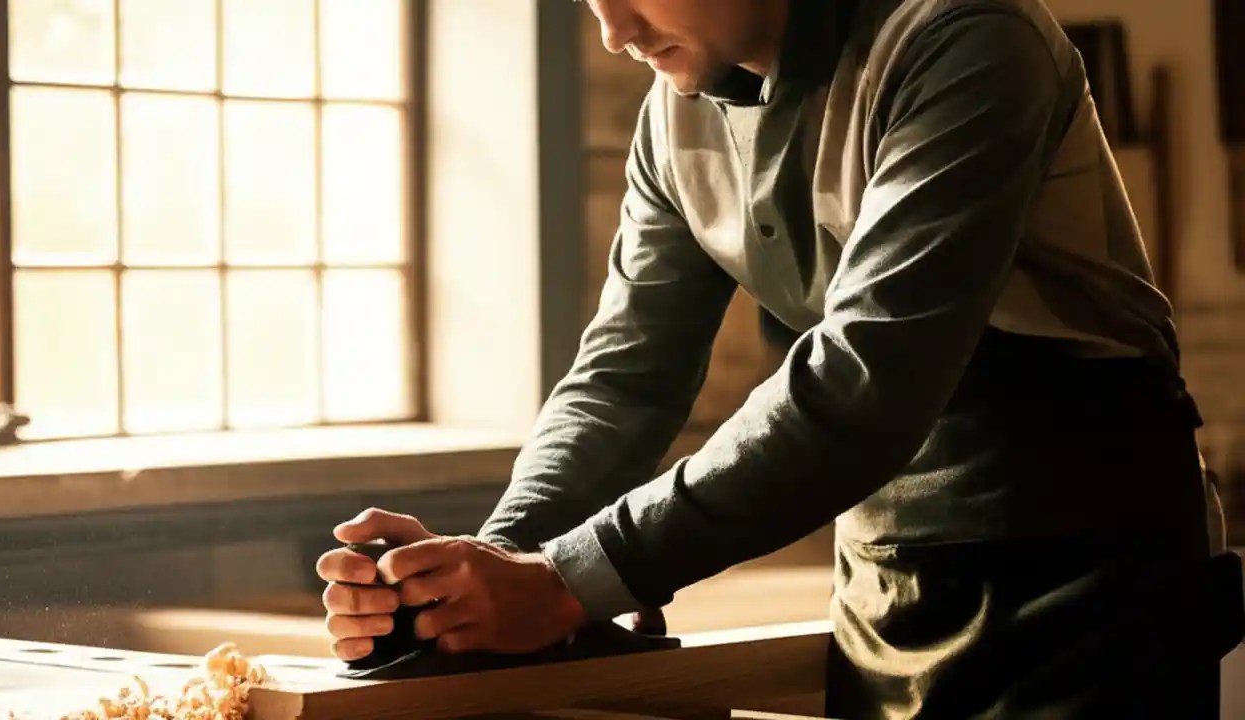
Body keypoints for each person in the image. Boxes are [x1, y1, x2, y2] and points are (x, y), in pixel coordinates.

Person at [316, 0, 1240, 716]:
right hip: (885, 576)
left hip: (1090, 573)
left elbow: (865, 376)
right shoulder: (669, 116)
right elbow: (623, 381)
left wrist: (564, 581)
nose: (611, 32)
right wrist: (481, 573)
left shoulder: (967, 37)